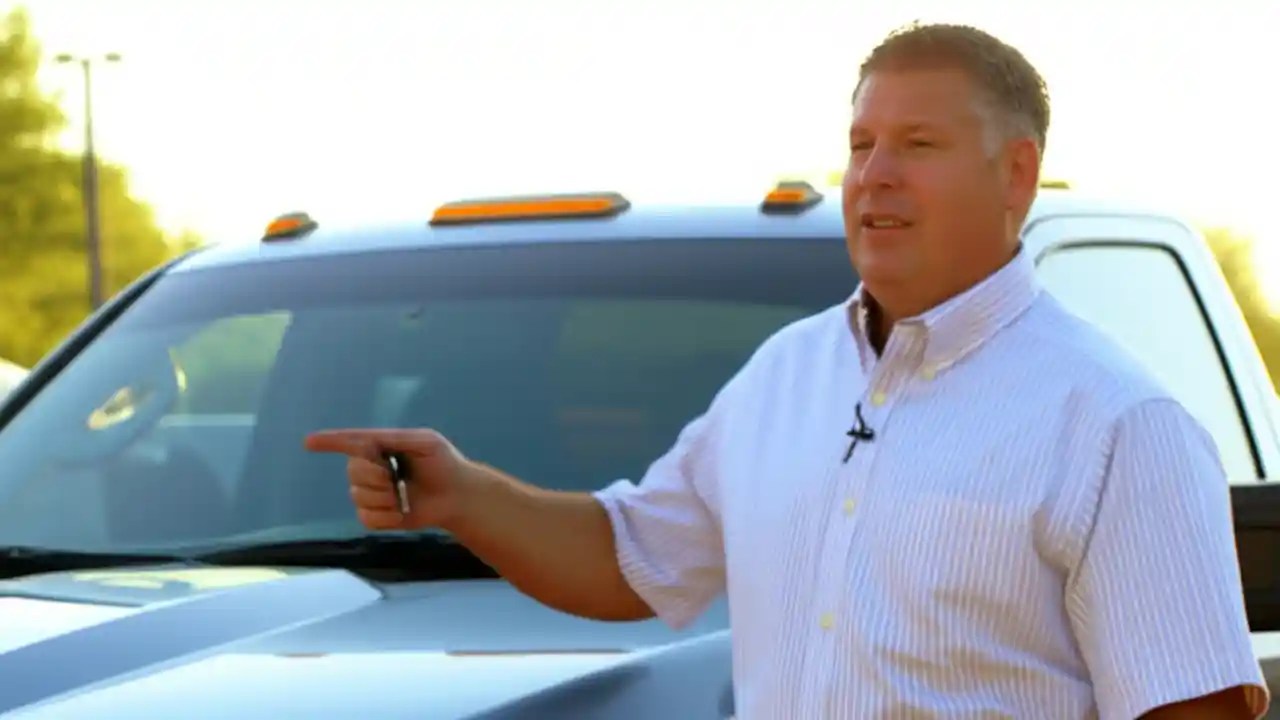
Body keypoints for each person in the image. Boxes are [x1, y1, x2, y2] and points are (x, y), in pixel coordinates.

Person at [304, 21, 1269, 720]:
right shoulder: (784, 377)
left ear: (1017, 174)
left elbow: (1198, 711)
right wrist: (463, 495)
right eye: (861, 144)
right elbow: (632, 558)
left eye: (918, 145)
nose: (875, 173)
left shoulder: (1115, 423)